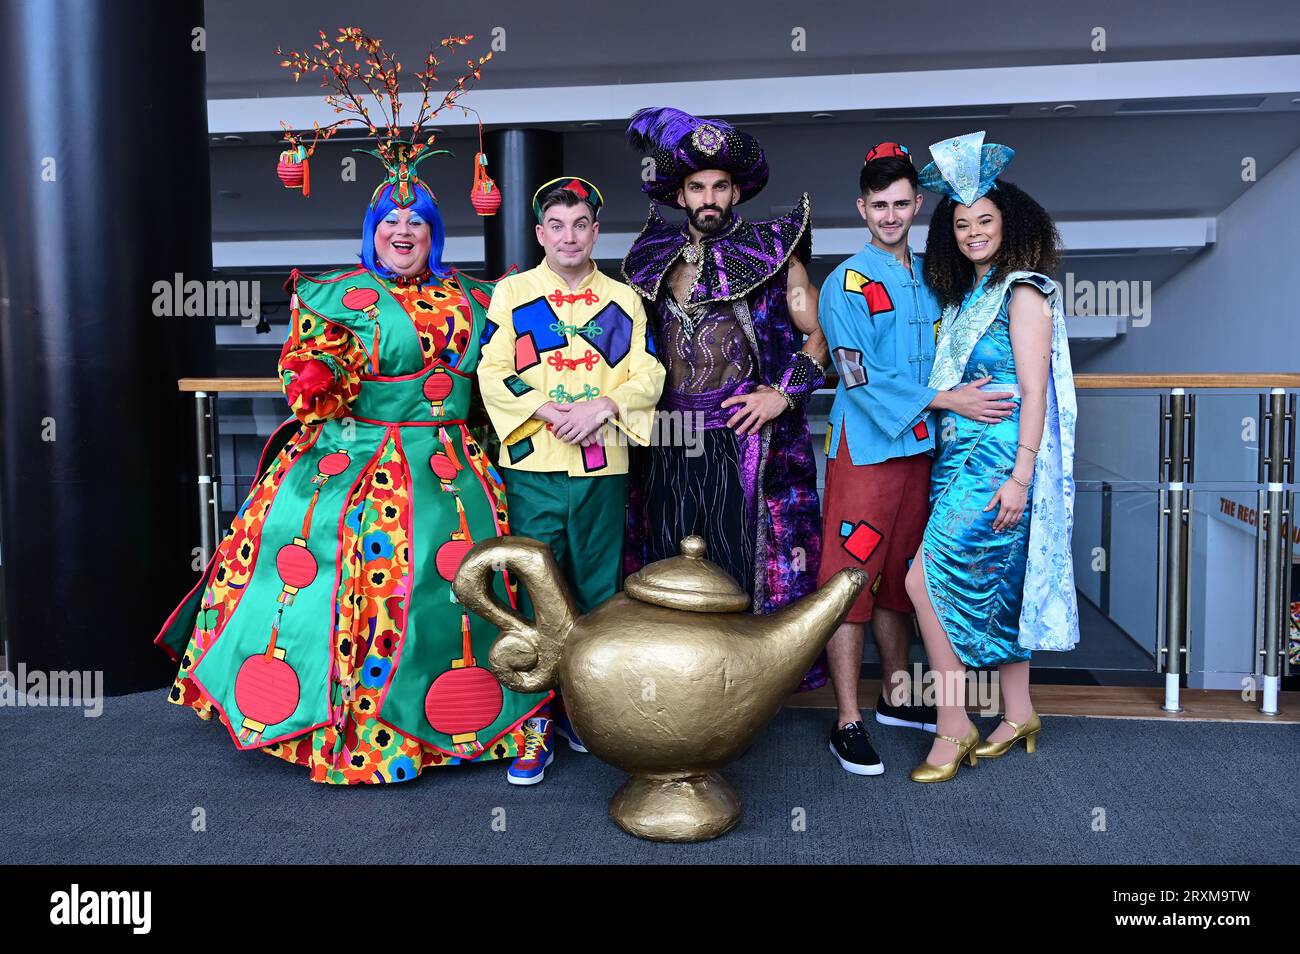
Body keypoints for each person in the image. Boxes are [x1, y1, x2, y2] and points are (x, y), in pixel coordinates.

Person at [154, 30, 551, 784]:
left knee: (452, 576)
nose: (405, 232)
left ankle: (460, 717)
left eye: (419, 223)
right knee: (339, 575)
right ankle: (345, 726)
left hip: (450, 461)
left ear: (434, 233)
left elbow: (510, 370)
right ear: (373, 234)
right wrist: (316, 378)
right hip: (354, 455)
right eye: (391, 224)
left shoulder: (478, 296)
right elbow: (310, 363)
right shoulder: (336, 293)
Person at [817, 142, 1023, 775]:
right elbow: (855, 378)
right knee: (850, 583)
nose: (890, 215)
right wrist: (949, 399)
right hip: (867, 452)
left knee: (908, 581)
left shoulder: (939, 274)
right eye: (879, 205)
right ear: (861, 207)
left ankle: (897, 698)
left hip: (928, 453)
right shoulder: (845, 283)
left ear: (918, 204)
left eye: (902, 203)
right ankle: (847, 718)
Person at [621, 107, 830, 690]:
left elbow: (822, 336)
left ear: (735, 190)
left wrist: (783, 396)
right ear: (680, 195)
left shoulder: (774, 251)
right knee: (666, 557)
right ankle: (669, 683)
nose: (709, 196)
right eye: (697, 187)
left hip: (742, 436)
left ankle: (737, 690)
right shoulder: (649, 258)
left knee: (737, 564)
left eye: (719, 186)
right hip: (667, 436)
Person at [903, 131, 1080, 782]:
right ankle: (1019, 711)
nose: (974, 231)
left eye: (985, 220)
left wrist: (1021, 478)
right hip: (959, 458)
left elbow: (1037, 393)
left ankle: (954, 724)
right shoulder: (965, 298)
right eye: (962, 222)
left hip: (1000, 460)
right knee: (1001, 584)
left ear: (1009, 225)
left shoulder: (1022, 291)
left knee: (921, 581)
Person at [478, 176, 665, 783]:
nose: (568, 235)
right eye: (556, 225)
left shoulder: (625, 298)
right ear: (539, 233)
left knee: (596, 590)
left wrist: (603, 408)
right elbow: (492, 367)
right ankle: (534, 718)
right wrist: (545, 410)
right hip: (532, 464)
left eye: (579, 223)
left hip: (601, 465)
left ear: (594, 230)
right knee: (537, 590)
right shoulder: (511, 293)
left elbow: (648, 371)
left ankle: (586, 710)